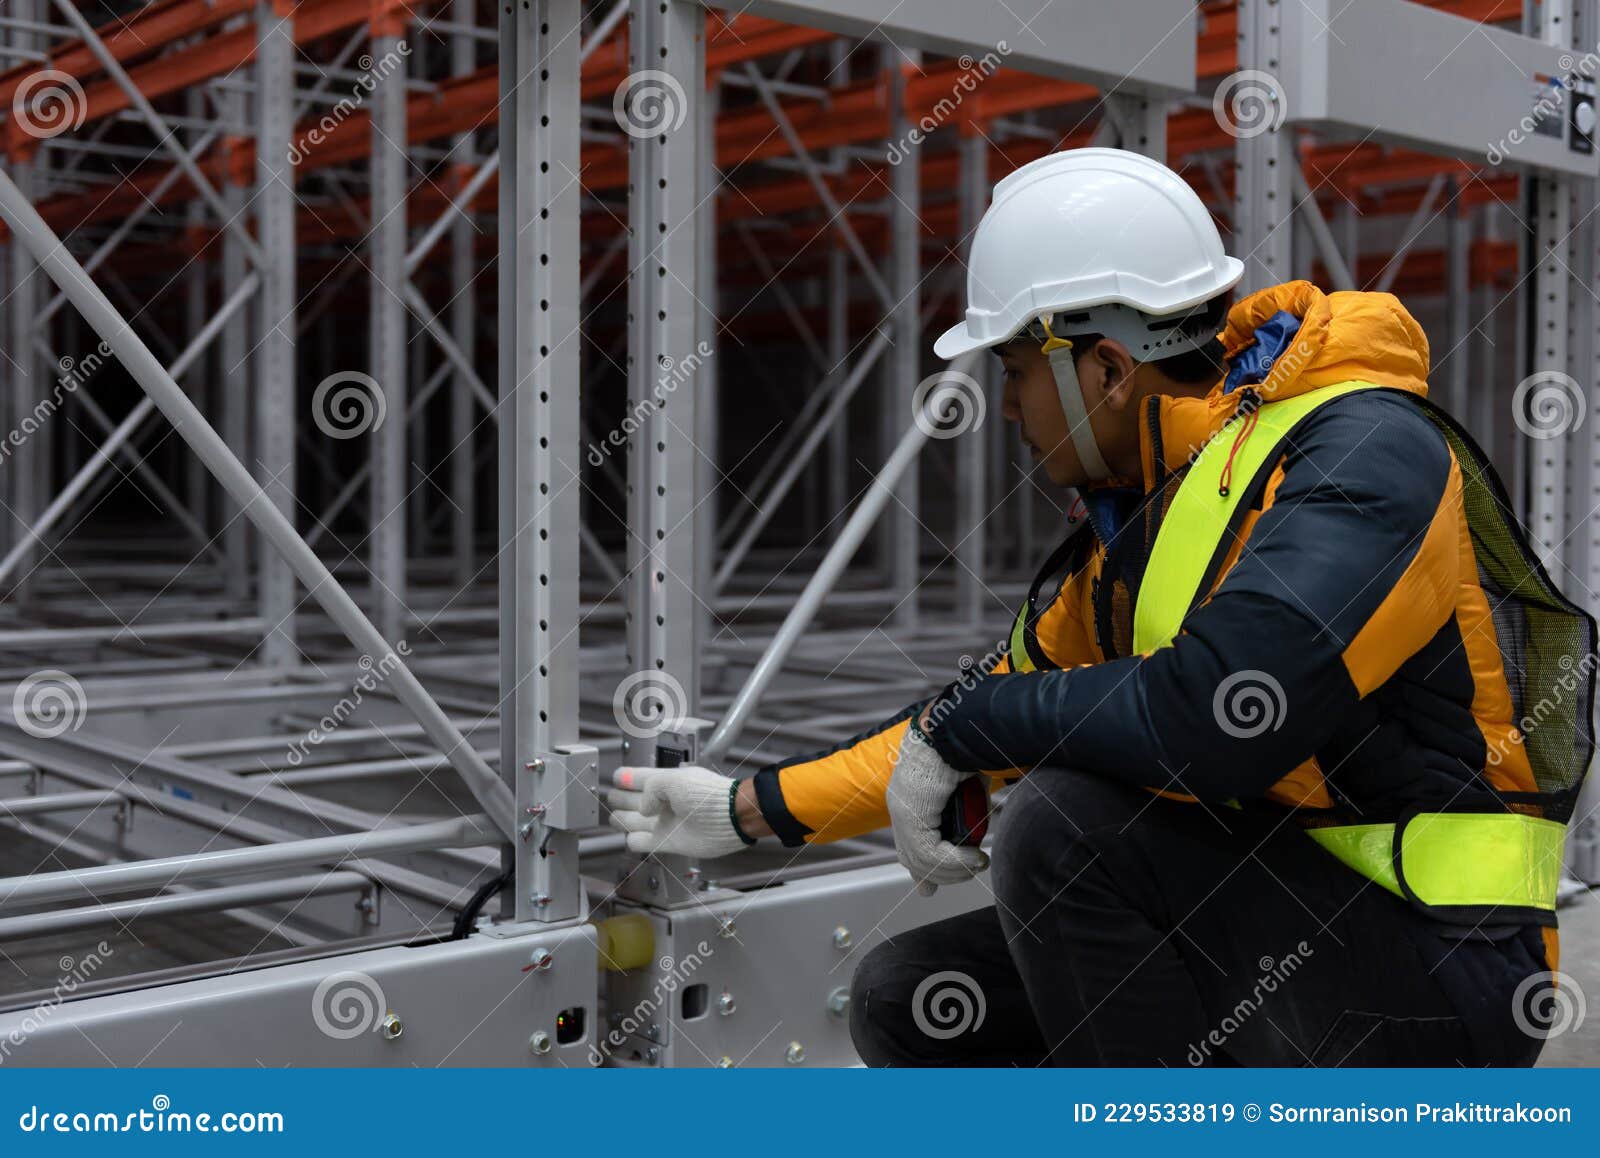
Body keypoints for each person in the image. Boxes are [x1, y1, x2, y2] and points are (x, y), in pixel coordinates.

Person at [606, 148, 1595, 1066]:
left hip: (1449, 966)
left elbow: (1222, 716)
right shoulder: (1144, 532)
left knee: (1063, 825)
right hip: (1292, 917)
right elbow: (975, 715)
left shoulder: (1364, 456)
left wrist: (969, 726)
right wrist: (741, 813)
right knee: (910, 993)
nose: (1006, 408)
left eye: (1016, 372)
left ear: (1108, 369)